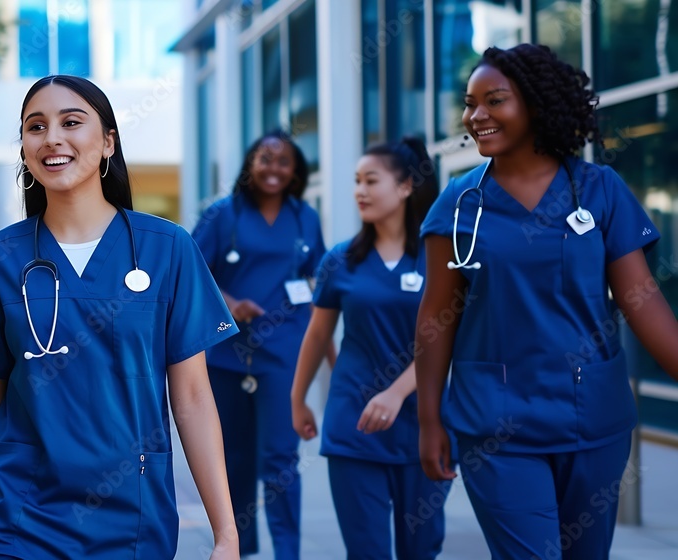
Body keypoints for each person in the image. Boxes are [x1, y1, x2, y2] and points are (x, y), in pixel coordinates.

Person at [0, 75, 241, 560]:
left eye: (71, 122)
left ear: (107, 143)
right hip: (17, 519)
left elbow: (194, 397)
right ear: (25, 149)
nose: (52, 137)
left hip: (131, 519)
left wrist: (226, 531)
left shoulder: (168, 249)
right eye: (35, 127)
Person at [416, 43, 678, 560]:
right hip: (494, 425)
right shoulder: (459, 203)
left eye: (495, 101)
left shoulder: (599, 190)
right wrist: (429, 419)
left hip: (593, 420)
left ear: (535, 105)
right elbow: (435, 318)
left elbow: (642, 302)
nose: (476, 116)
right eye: (471, 103)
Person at [291, 137, 450, 559]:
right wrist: (298, 398)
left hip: (425, 426)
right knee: (367, 551)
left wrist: (397, 392)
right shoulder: (339, 260)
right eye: (357, 181)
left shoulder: (441, 259)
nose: (360, 190)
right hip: (354, 425)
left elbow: (447, 340)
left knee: (422, 547)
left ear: (404, 187)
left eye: (371, 180)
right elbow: (318, 334)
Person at [191, 130, 328, 559]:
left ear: (295, 171)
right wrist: (230, 303)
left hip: (284, 355)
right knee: (233, 461)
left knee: (282, 459)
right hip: (227, 355)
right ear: (251, 164)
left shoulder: (305, 217)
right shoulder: (222, 215)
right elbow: (192, 271)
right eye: (265, 159)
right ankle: (240, 548)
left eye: (284, 161)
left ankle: (288, 551)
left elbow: (317, 279)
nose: (274, 168)